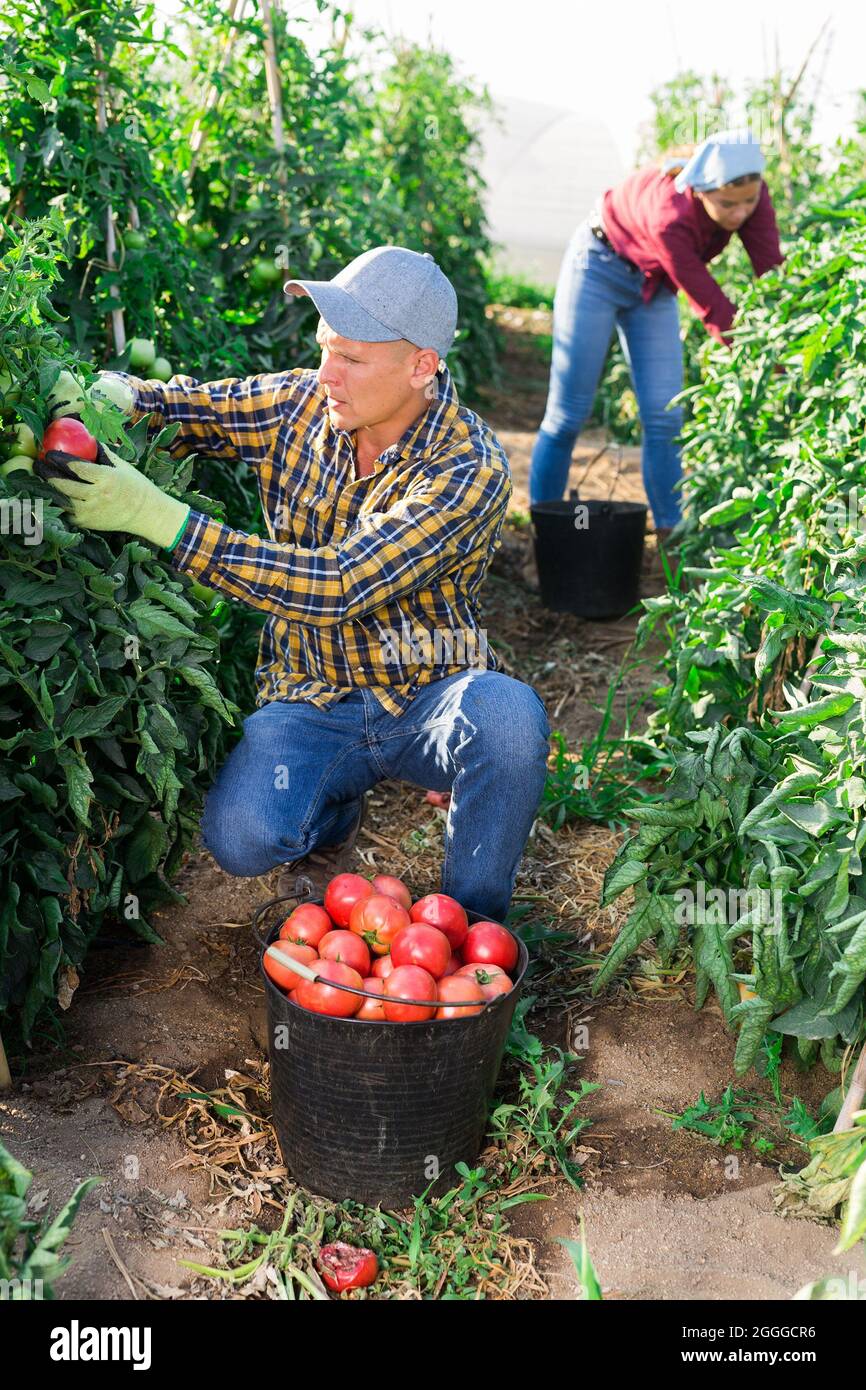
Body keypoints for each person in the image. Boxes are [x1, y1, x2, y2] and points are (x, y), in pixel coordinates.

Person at [45, 246, 551, 923]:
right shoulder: (301, 403)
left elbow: (338, 583)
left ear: (421, 366)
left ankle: (470, 930)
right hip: (312, 696)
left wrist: (158, 517)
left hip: (427, 695)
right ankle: (331, 811)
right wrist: (117, 397)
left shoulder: (469, 467)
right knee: (244, 836)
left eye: (351, 358)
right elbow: (189, 406)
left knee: (510, 721)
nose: (327, 374)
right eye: (324, 350)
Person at [529, 129, 783, 547]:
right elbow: (712, 306)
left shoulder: (752, 196)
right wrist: (759, 351)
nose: (740, 213)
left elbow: (771, 269)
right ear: (702, 191)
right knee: (568, 413)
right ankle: (546, 538)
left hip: (653, 282)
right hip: (597, 264)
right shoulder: (671, 217)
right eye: (727, 204)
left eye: (749, 202)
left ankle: (671, 541)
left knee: (666, 417)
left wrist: (790, 329)